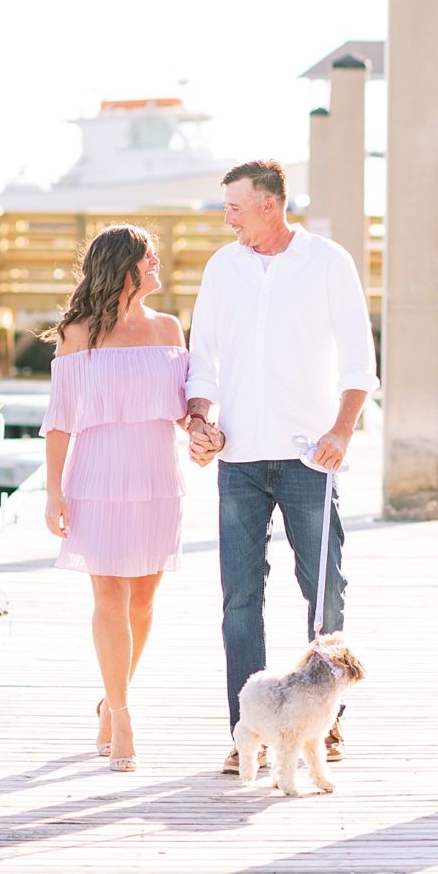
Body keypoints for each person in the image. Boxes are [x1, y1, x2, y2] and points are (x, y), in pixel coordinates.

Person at [184, 158, 380, 775]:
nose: (228, 218)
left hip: (308, 457)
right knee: (240, 599)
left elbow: (357, 357)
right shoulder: (223, 267)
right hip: (238, 457)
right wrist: (198, 417)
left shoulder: (327, 262)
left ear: (270, 205)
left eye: (235, 207)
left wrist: (341, 431)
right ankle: (248, 735)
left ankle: (327, 725)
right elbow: (203, 356)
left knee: (324, 592)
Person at [39, 224, 189, 772]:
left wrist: (203, 427)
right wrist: (53, 493)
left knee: (144, 600)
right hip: (97, 478)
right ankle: (122, 715)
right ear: (123, 265)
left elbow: (182, 407)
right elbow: (60, 423)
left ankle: (110, 695)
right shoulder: (78, 334)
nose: (157, 264)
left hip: (157, 478)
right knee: (109, 598)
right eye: (149, 257)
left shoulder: (170, 328)